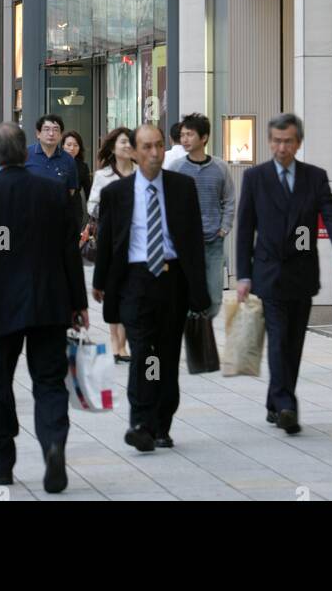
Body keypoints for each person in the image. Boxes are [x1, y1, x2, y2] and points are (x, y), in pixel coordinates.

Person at [0, 123, 88, 494]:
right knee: (49, 381)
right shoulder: (53, 193)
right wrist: (80, 303)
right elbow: (69, 252)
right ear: (26, 154)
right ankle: (53, 441)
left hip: (1, 305)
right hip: (50, 302)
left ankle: (1, 465)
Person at [92, 122, 209, 452]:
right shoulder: (116, 193)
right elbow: (108, 241)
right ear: (134, 151)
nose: (155, 153)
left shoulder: (182, 187)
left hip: (172, 280)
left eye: (159, 145)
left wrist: (201, 291)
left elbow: (193, 242)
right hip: (136, 281)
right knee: (144, 352)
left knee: (167, 356)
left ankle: (162, 423)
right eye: (147, 147)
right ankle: (140, 422)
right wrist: (100, 282)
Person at [236, 112, 332, 435]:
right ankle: (287, 404)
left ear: (298, 143)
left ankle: (276, 401)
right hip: (269, 274)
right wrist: (243, 275)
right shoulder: (256, 178)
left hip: (301, 275)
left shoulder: (314, 177)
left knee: (293, 343)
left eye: (287, 141)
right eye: (276, 141)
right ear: (269, 141)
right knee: (278, 338)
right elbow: (246, 229)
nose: (281, 147)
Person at [176, 113, 236, 319]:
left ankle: (201, 326)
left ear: (204, 138)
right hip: (185, 243)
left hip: (213, 240)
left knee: (214, 297)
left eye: (190, 134)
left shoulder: (220, 167)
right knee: (187, 294)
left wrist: (224, 228)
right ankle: (194, 332)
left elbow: (229, 199)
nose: (184, 139)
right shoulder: (177, 168)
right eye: (182, 135)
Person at [87, 127, 137, 362]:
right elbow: (92, 206)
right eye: (123, 142)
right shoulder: (103, 175)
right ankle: (115, 341)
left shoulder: (142, 173)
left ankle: (122, 344)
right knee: (113, 292)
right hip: (111, 240)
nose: (127, 146)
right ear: (113, 147)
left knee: (129, 294)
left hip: (136, 242)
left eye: (130, 142)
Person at [26, 115, 78, 196]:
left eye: (56, 130)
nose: (51, 133)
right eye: (46, 129)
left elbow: (71, 190)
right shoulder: (24, 155)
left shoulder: (68, 160)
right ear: (38, 134)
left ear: (61, 135)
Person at [61, 130, 91, 237]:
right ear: (62, 146)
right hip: (56, 208)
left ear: (79, 148)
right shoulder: (55, 163)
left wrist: (92, 217)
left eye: (75, 145)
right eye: (68, 145)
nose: (72, 148)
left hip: (75, 209)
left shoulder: (83, 166)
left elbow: (89, 193)